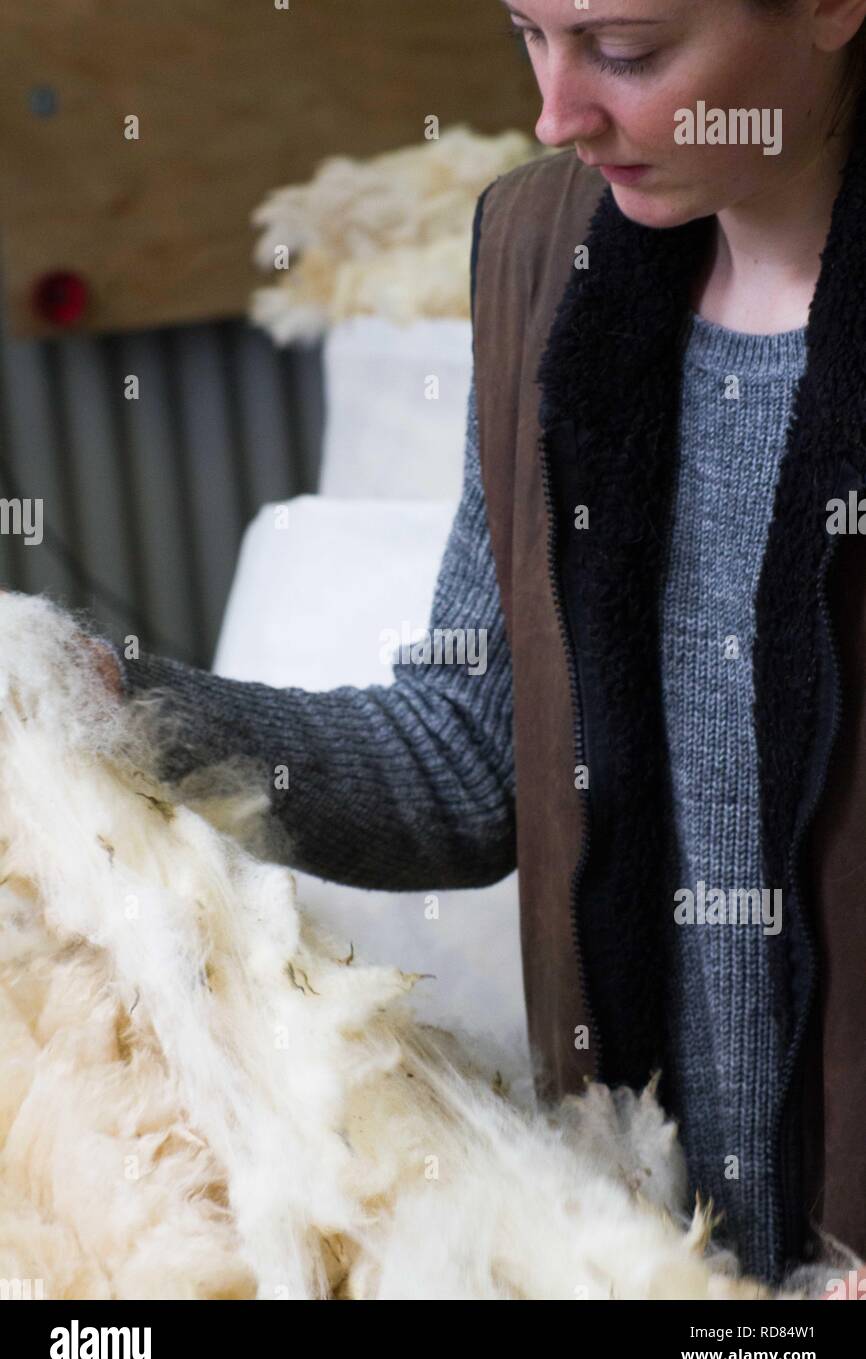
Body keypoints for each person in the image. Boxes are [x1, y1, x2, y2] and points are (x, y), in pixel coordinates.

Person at [11, 0, 866, 1293]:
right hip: (657, 1245)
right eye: (527, 32)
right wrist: (110, 704)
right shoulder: (546, 259)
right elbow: (476, 752)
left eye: (624, 52)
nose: (554, 112)